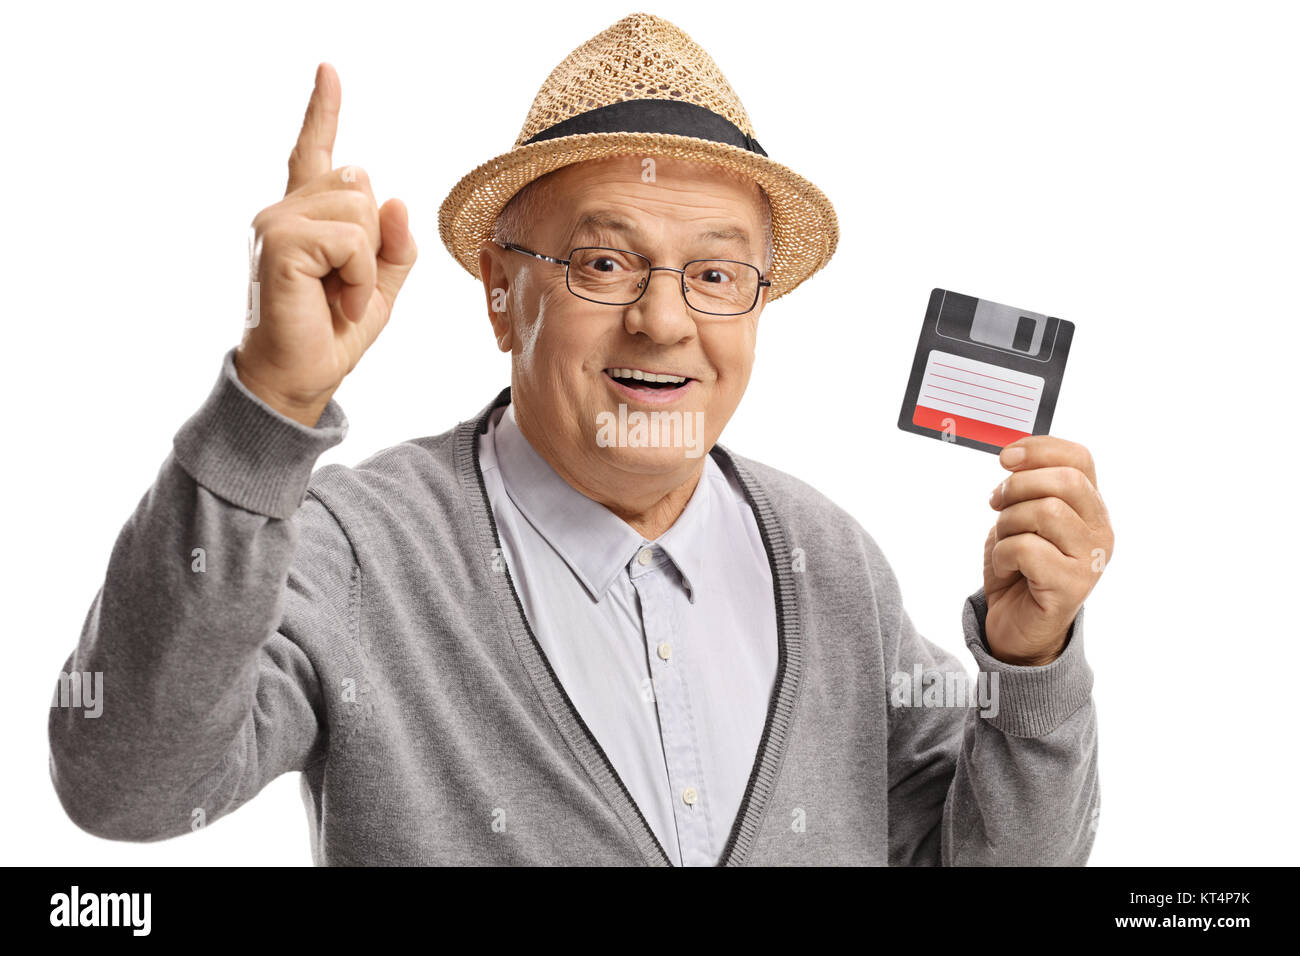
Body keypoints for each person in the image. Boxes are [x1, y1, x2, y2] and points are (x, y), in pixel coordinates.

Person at [48, 13, 1114, 866]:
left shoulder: (826, 559)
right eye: (603, 266)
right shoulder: (359, 550)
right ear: (502, 299)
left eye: (715, 273)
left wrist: (1030, 663)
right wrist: (266, 410)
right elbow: (128, 785)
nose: (663, 320)